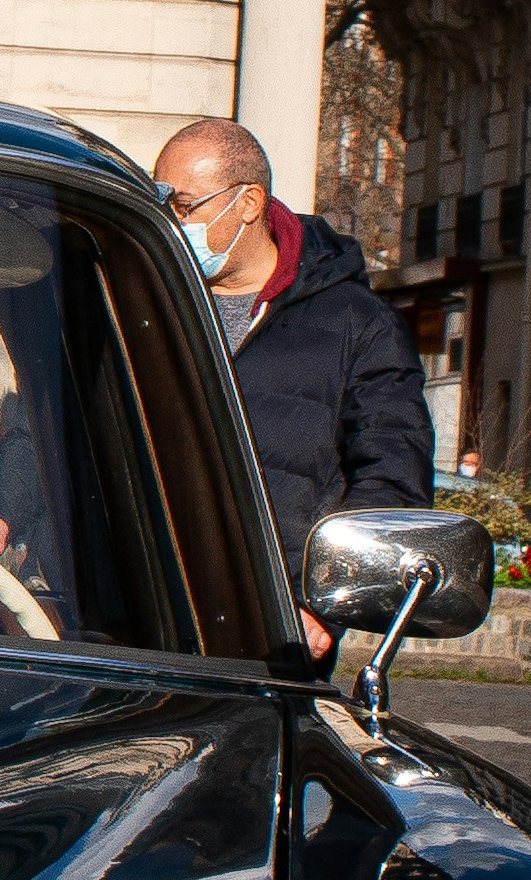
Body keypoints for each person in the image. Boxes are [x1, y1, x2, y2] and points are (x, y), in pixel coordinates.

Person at [106, 118, 434, 651]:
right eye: (162, 204)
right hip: (131, 605)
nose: (172, 222)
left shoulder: (359, 325)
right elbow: (57, 410)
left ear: (249, 204)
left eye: (185, 206)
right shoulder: (141, 298)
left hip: (266, 628)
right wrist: (6, 498)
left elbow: (393, 477)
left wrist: (322, 604)